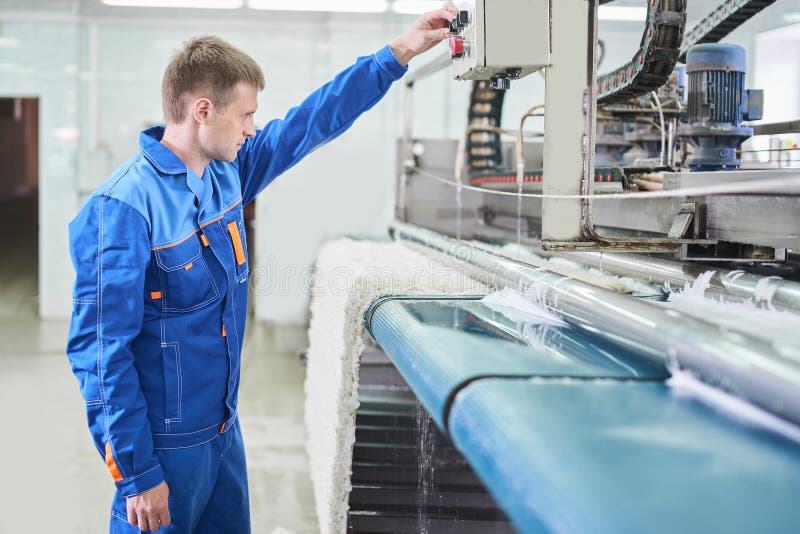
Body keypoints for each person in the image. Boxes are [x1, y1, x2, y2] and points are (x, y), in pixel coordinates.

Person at [65, 3, 457, 532]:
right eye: (245, 115)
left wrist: (398, 53)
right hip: (164, 447)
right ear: (203, 111)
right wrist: (135, 473)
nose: (253, 130)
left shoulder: (228, 175)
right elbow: (99, 354)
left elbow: (311, 120)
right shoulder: (124, 209)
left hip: (224, 433)